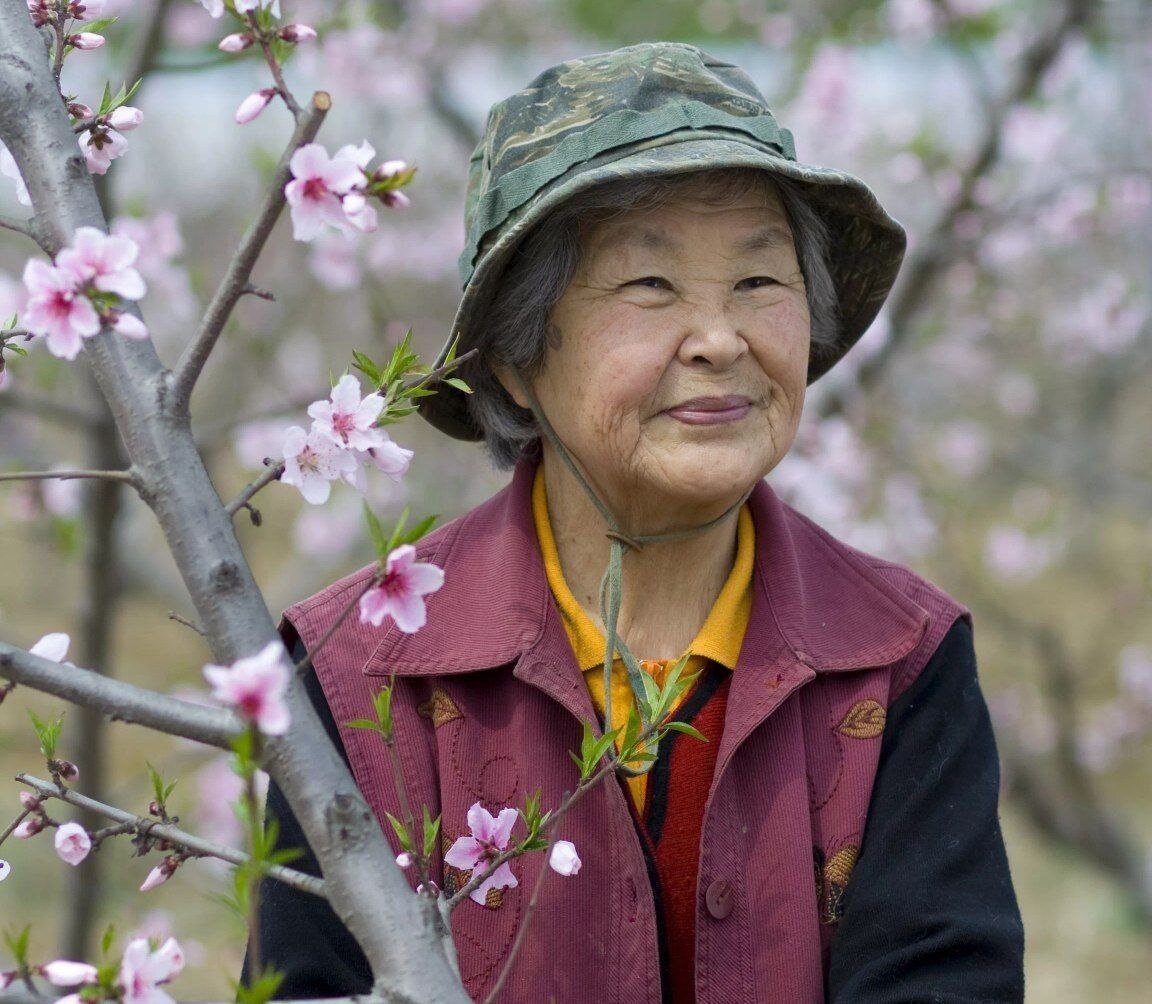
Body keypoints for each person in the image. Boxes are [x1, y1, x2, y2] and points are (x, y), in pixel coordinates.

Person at [248, 42, 1025, 1002]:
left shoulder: (900, 655)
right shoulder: (356, 668)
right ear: (514, 359)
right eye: (650, 286)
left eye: (758, 283)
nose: (720, 340)